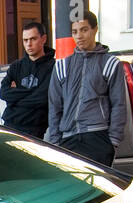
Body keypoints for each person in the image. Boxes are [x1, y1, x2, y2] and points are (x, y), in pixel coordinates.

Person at [46, 11, 126, 167]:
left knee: (101, 189)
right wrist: (55, 141)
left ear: (95, 30)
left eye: (84, 30)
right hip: (68, 140)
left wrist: (113, 141)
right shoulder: (62, 66)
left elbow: (119, 104)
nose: (79, 36)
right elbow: (54, 106)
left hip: (98, 137)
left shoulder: (110, 63)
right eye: (75, 32)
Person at [0, 21, 55, 138]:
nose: (29, 44)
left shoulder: (53, 67)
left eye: (33, 39)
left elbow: (42, 99)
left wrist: (16, 97)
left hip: (36, 131)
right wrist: (32, 91)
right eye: (25, 40)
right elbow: (3, 93)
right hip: (9, 126)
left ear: (43, 39)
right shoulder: (16, 66)